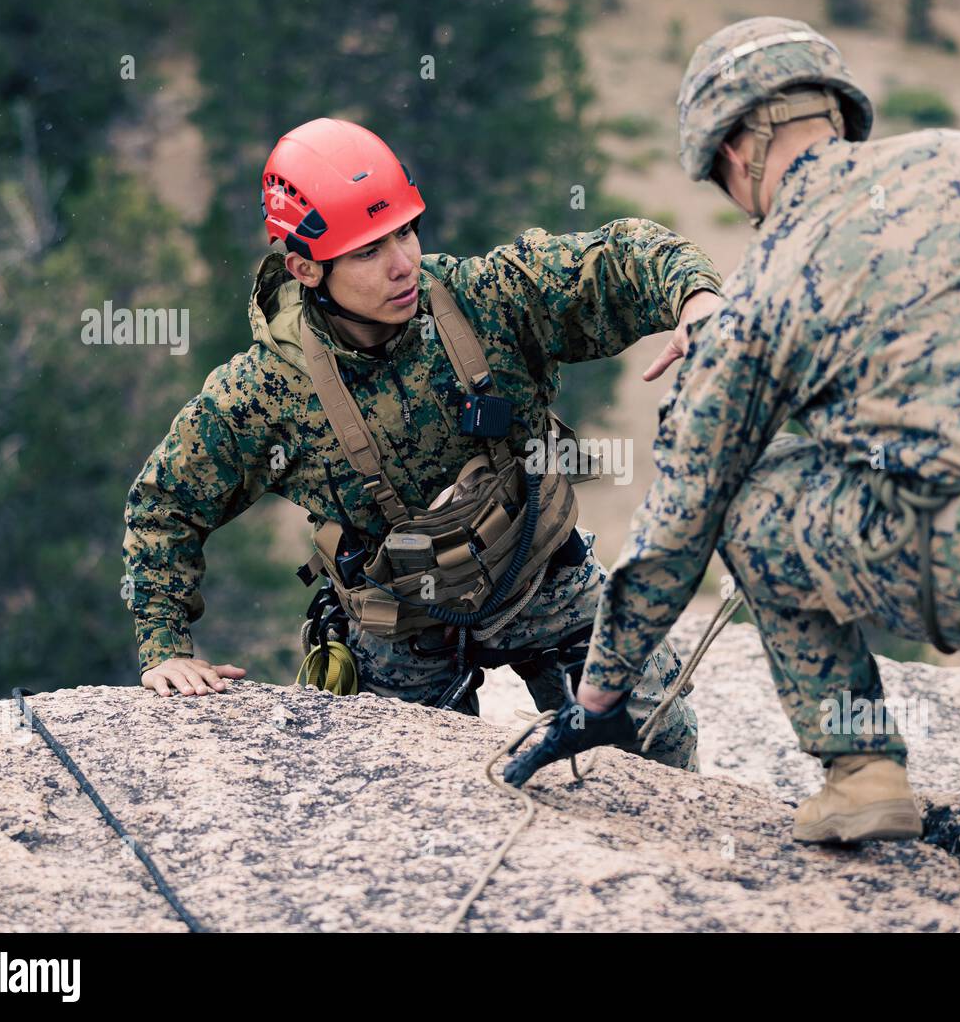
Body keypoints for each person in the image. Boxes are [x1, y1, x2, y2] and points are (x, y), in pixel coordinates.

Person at [504, 18, 960, 843]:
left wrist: (599, 697)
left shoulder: (764, 288)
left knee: (750, 499)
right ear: (835, 113)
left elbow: (677, 525)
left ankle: (862, 771)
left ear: (733, 152)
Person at [123, 117, 725, 772]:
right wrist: (165, 646)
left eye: (405, 231)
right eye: (367, 251)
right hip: (402, 629)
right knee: (398, 792)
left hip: (540, 578)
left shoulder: (484, 300)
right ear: (304, 266)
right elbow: (167, 504)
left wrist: (694, 299)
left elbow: (618, 260)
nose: (402, 263)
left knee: (656, 745)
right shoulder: (267, 390)